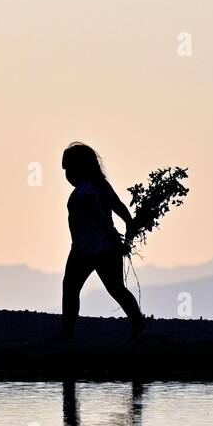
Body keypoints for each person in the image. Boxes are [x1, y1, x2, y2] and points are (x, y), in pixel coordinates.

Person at [60, 142, 144, 339]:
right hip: (106, 248)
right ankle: (139, 326)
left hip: (85, 249)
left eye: (68, 168)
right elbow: (119, 207)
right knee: (117, 289)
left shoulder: (85, 191)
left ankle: (67, 333)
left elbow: (98, 217)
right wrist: (129, 225)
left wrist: (114, 234)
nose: (66, 174)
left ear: (78, 168)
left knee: (71, 288)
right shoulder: (101, 185)